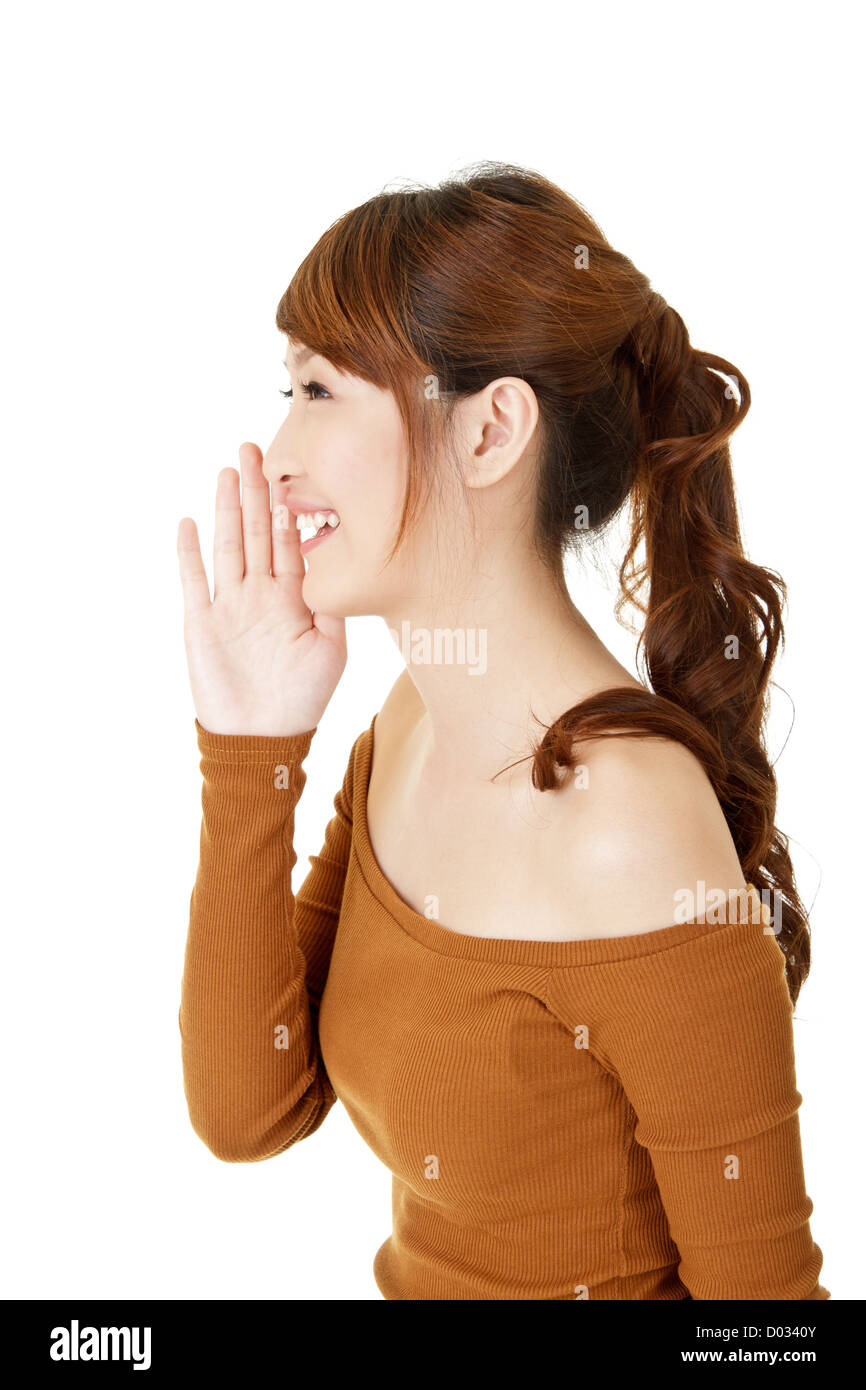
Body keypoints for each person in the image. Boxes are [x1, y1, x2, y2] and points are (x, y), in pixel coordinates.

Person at [176, 161, 829, 1300]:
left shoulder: (627, 823)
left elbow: (766, 1320)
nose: (278, 451)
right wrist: (249, 749)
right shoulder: (411, 722)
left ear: (489, 434)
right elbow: (250, 1112)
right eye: (285, 390)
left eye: (322, 392)